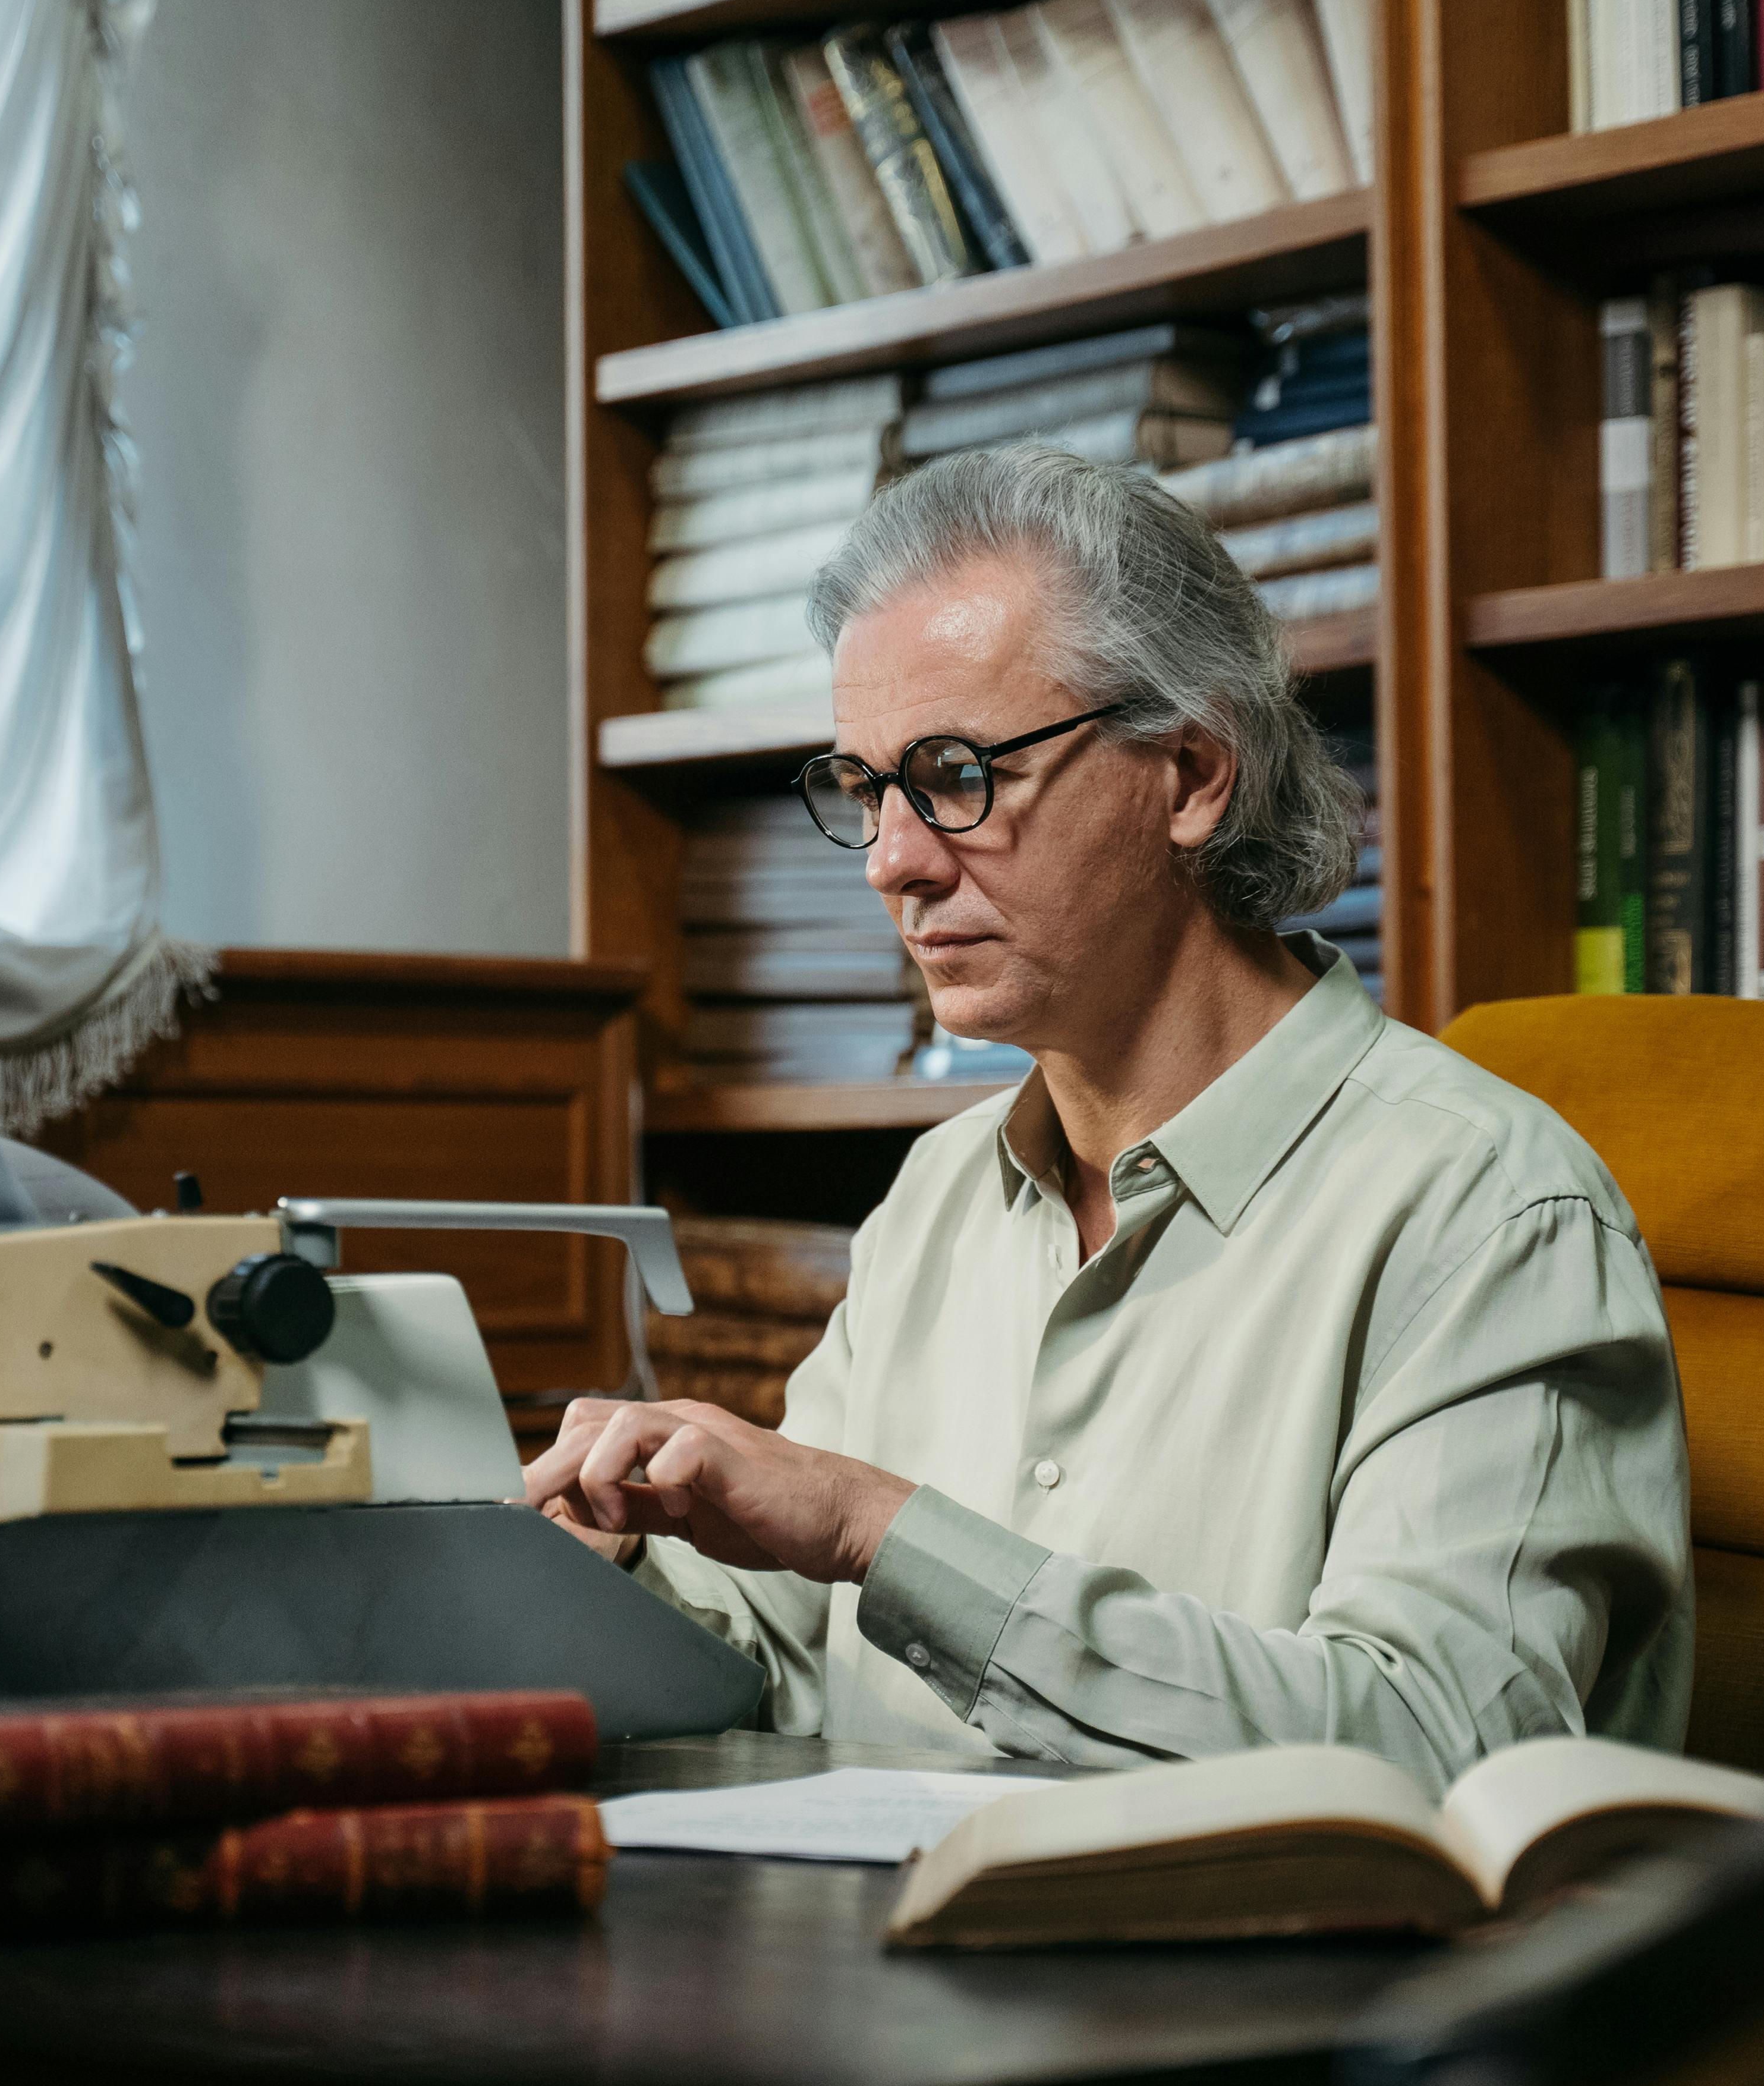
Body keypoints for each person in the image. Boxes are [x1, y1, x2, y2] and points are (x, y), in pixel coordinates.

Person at [524, 442, 1691, 1790]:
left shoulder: (1489, 1208)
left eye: (955, 770)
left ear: (1189, 774)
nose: (894, 859)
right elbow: (795, 1668)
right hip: (882, 1969)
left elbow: (1433, 1752)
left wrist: (877, 1528)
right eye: (862, 787)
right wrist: (568, 1585)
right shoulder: (938, 1190)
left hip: (1281, 1996)